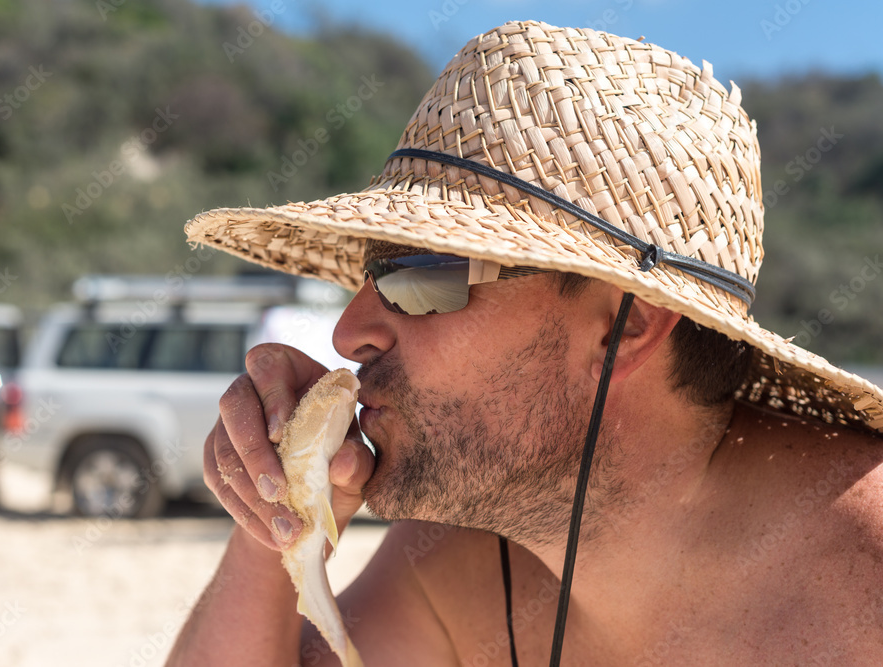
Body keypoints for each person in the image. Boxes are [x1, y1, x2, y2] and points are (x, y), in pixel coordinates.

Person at [167, 21, 883, 666]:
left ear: (625, 324)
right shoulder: (460, 565)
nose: (347, 332)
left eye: (418, 275)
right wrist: (278, 525)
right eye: (367, 275)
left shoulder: (865, 579)